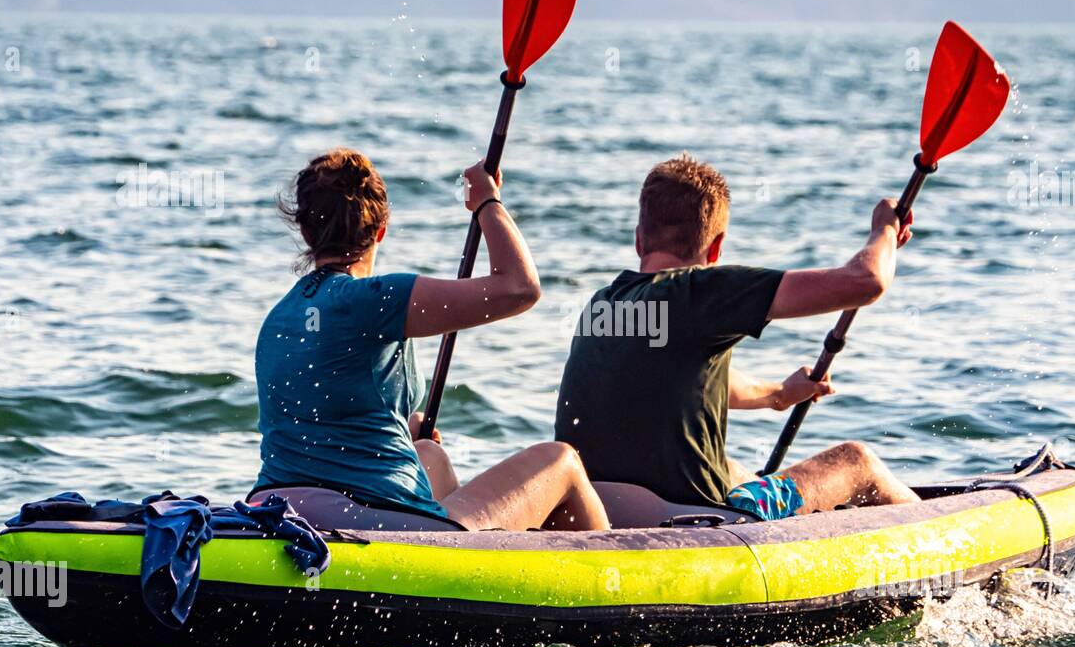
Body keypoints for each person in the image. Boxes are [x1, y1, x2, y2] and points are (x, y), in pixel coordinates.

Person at [255, 148, 609, 532]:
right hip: (367, 516)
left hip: (281, 503)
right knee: (562, 462)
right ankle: (621, 580)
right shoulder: (372, 299)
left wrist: (399, 430)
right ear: (380, 231)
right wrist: (487, 203)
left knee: (428, 453)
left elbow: (327, 416)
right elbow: (519, 287)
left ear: (305, 230)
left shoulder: (281, 315)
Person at [555, 154, 920, 520]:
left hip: (598, 514)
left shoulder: (604, 305)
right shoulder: (699, 290)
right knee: (856, 462)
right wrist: (884, 230)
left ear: (639, 240)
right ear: (716, 248)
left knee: (739, 473)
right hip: (697, 525)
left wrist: (778, 395)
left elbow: (689, 380)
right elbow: (865, 281)